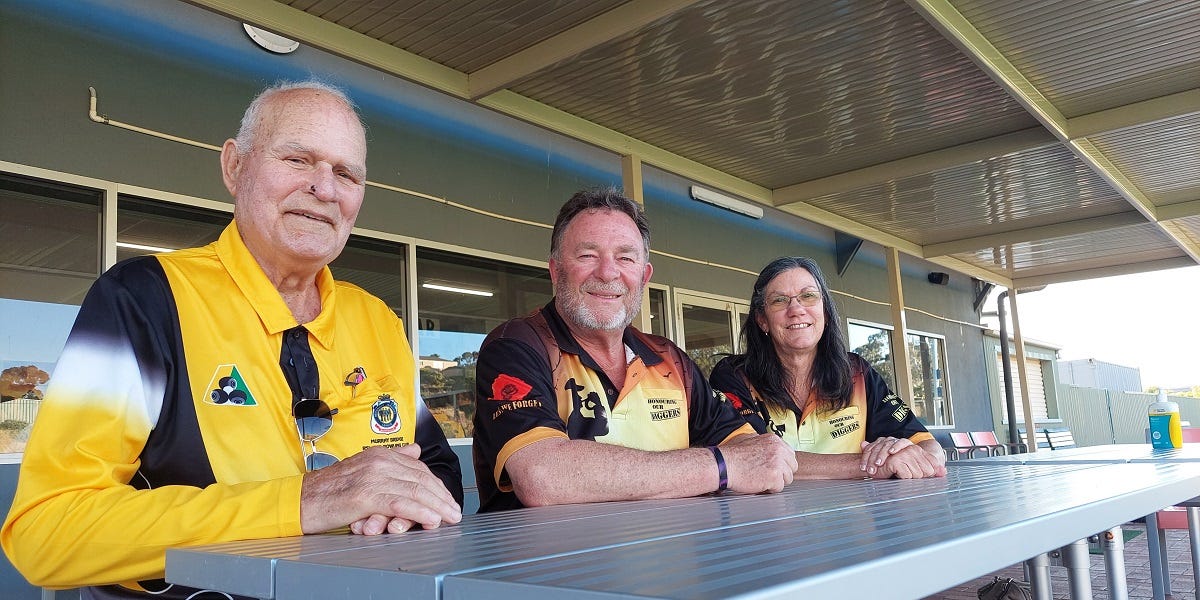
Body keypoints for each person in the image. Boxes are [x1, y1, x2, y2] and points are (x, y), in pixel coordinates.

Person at [1, 81, 463, 598]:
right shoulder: (145, 301)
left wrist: (402, 511)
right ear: (234, 167)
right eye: (297, 158)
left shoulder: (376, 318)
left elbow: (438, 468)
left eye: (346, 173)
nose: (325, 189)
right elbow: (48, 531)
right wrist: (305, 502)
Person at [471, 188, 796, 512]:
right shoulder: (516, 346)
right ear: (556, 271)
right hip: (555, 562)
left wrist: (740, 460)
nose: (608, 272)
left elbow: (746, 446)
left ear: (644, 276)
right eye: (587, 255)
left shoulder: (670, 359)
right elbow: (542, 475)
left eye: (625, 257)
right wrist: (722, 468)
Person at [710, 256, 946, 479]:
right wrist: (874, 465)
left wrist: (910, 455)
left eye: (808, 296)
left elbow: (927, 446)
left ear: (825, 311)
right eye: (779, 300)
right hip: (771, 519)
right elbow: (754, 458)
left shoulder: (857, 373)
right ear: (762, 319)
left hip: (852, 519)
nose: (796, 309)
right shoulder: (734, 376)